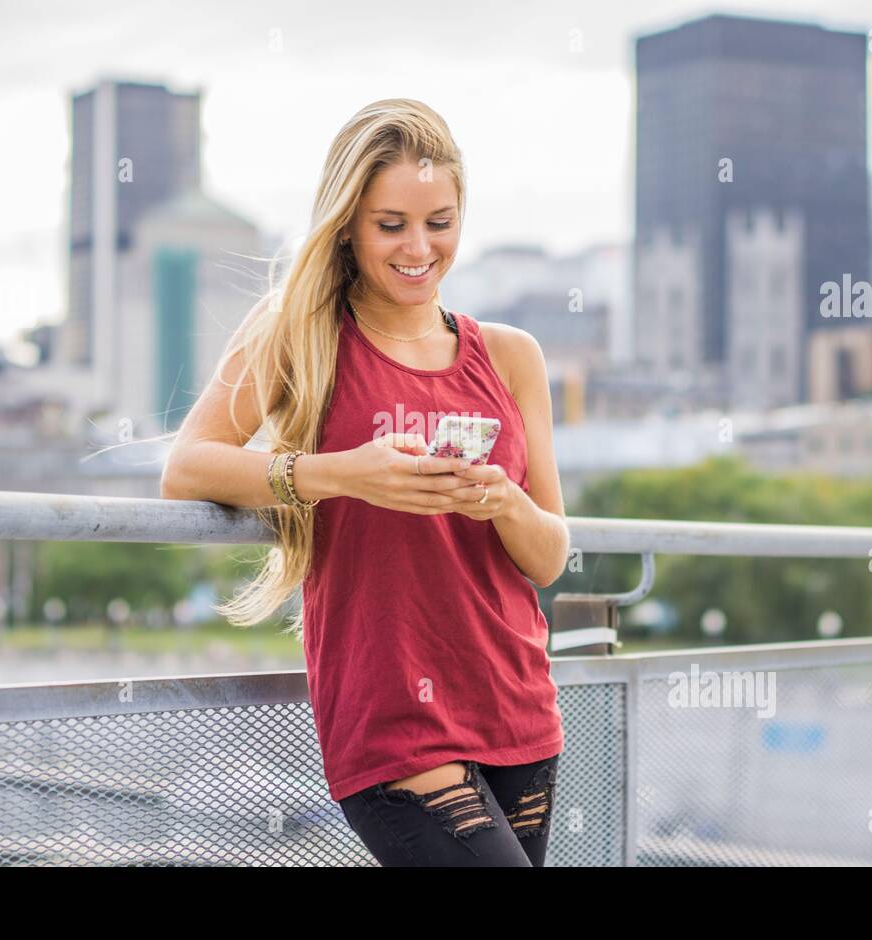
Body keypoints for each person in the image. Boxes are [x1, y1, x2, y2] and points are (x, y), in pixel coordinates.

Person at [161, 98, 569, 866]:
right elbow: (185, 469)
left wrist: (504, 500)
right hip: (392, 716)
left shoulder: (513, 356)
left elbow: (548, 556)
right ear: (348, 223)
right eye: (392, 225)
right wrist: (342, 476)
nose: (419, 247)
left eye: (440, 222)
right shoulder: (298, 334)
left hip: (517, 703)